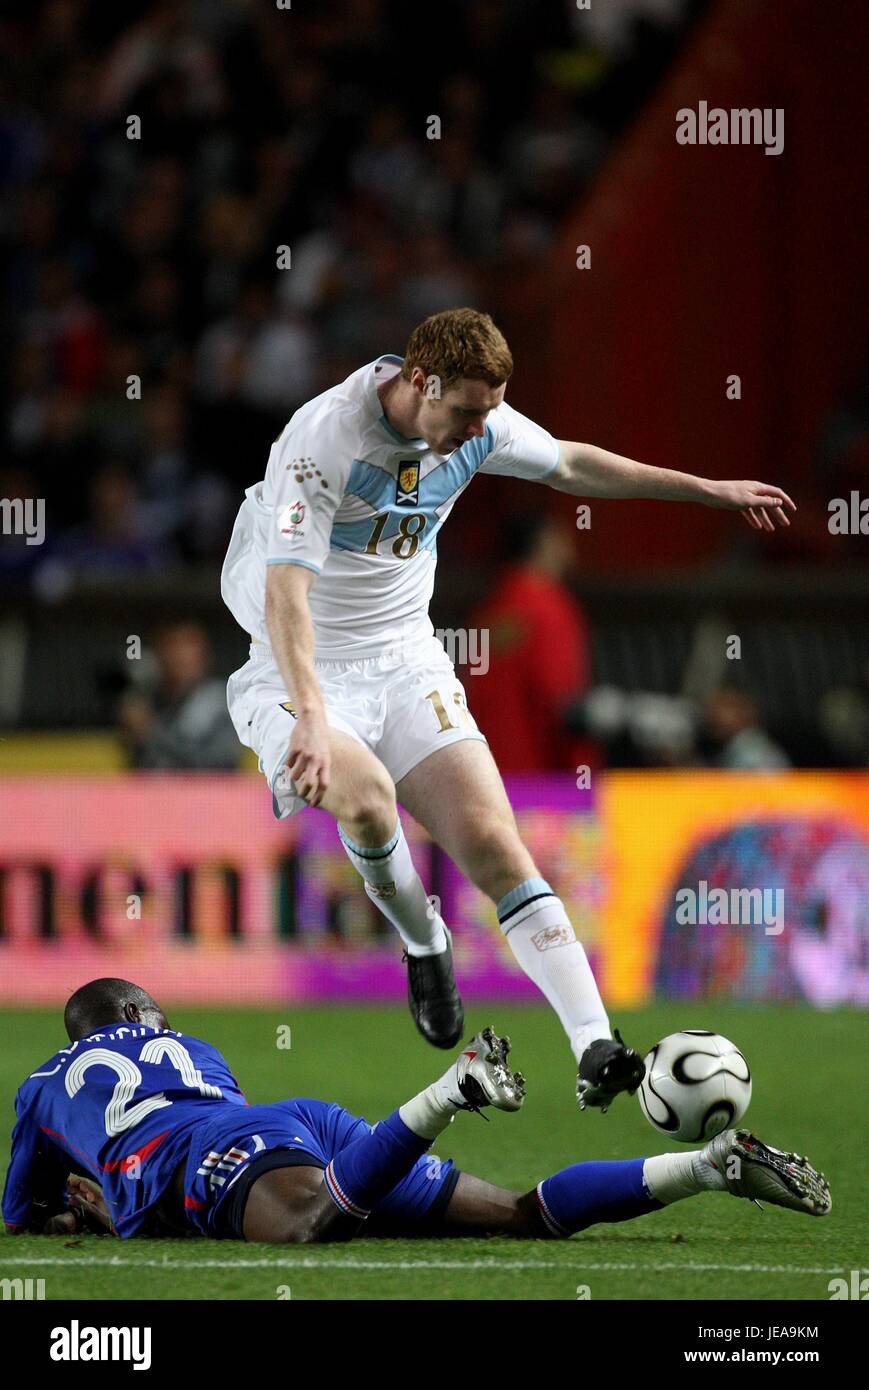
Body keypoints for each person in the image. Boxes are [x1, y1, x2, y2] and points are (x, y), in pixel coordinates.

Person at [220, 306, 795, 1111]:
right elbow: (286, 594)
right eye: (466, 412)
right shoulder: (323, 441)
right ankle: (424, 941)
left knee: (493, 842)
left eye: (490, 410)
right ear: (421, 383)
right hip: (297, 667)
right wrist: (312, 715)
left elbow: (567, 463)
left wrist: (701, 491)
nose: (480, 429)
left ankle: (595, 1043)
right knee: (369, 802)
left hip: (404, 658)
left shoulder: (476, 419)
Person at [2, 979, 830, 1244]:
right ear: (155, 1021)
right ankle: (704, 1166)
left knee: (307, 1226)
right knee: (519, 1216)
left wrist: (89, 1210)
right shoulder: (195, 1049)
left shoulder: (41, 1085)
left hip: (213, 1151)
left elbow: (23, 1214)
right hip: (290, 1123)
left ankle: (446, 1092)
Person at [467, 513, 593, 772]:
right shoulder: (550, 605)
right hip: (541, 775)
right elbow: (562, 698)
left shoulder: (491, 607)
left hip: (483, 766)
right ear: (544, 543)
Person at [118, 621, 240, 770]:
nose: (181, 656)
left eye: (189, 646)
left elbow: (220, 764)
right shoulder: (153, 700)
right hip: (154, 792)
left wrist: (150, 732)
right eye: (173, 646)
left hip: (207, 792)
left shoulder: (220, 700)